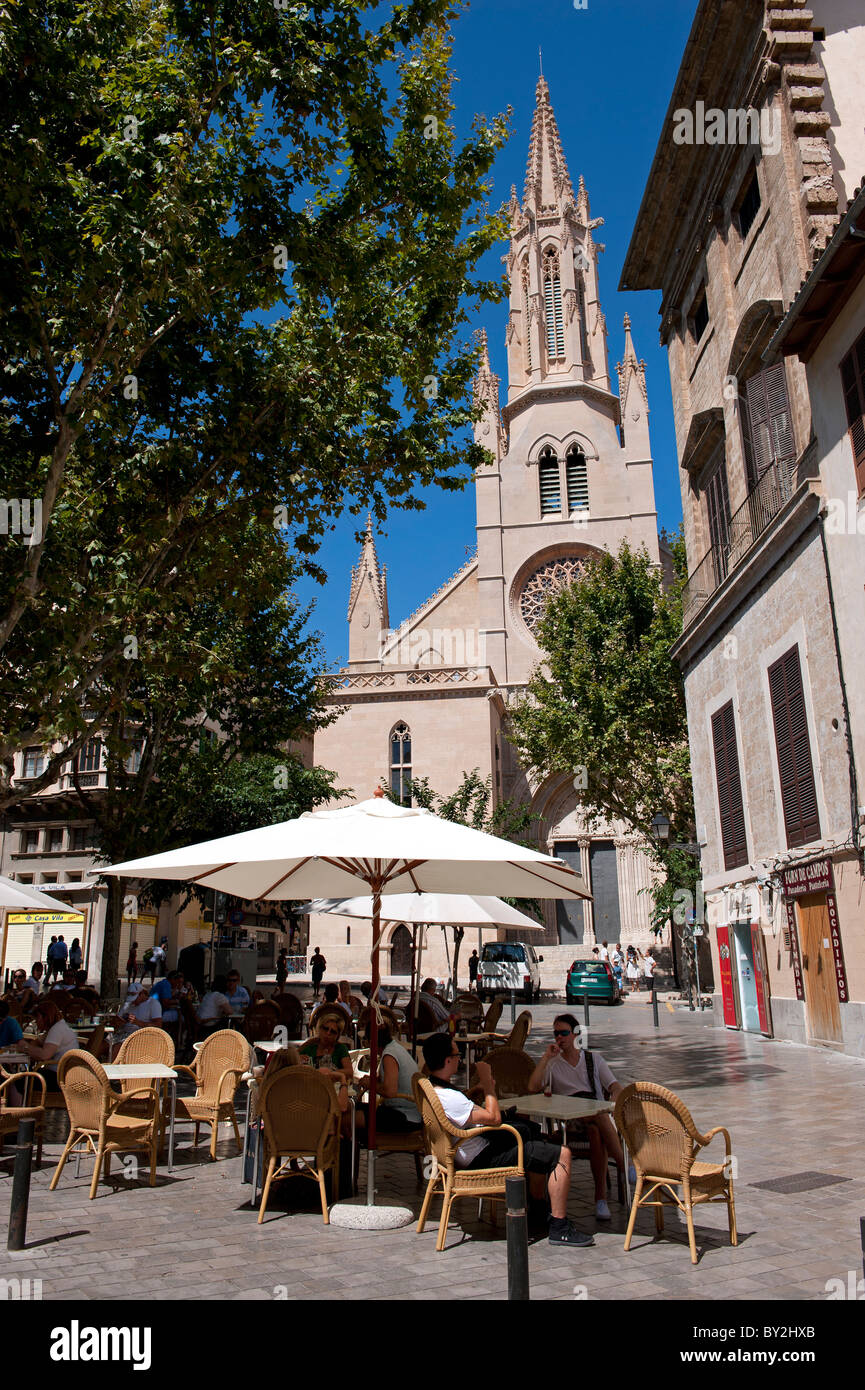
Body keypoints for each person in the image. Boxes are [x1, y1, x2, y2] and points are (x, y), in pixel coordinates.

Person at [421, 1032, 594, 1248]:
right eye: (457, 1055)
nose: (460, 1059)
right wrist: (487, 1083)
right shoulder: (450, 1098)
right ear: (447, 1060)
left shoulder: (434, 1088)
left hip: (467, 1151)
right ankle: (559, 1227)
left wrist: (473, 1091)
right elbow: (494, 1118)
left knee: (529, 1132)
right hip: (479, 1158)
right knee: (562, 1154)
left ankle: (537, 1208)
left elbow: (462, 1109)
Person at [527, 1013, 632, 1221]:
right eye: (556, 1033)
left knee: (595, 1131)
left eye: (564, 1033)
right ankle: (624, 1166)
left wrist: (616, 1099)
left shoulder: (593, 1060)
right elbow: (532, 1087)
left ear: (575, 1034)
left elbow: (615, 1085)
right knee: (599, 1119)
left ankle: (601, 1199)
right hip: (571, 1121)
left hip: (594, 1118)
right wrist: (546, 1057)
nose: (559, 1038)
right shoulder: (554, 1064)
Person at [298, 1011, 353, 1127]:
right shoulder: (310, 1047)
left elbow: (349, 1071)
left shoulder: (340, 1049)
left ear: (337, 1035)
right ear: (320, 1028)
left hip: (332, 1092)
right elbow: (291, 1061)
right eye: (325, 1029)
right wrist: (298, 1058)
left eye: (333, 1032)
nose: (328, 1033)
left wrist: (330, 1073)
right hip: (308, 1092)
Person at [20, 999, 79, 1091]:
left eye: (37, 1017)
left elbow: (44, 1055)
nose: (36, 1021)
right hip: (59, 1073)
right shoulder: (55, 1028)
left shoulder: (57, 1030)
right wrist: (32, 1046)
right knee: (23, 1078)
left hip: (58, 1077)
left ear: (46, 1017)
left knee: (18, 1082)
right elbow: (37, 1042)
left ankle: (19, 1104)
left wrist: (25, 1047)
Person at [372, 1023, 421, 1132]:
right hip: (410, 1112)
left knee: (354, 1116)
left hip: (406, 1116)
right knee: (358, 1109)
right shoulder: (395, 1048)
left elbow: (390, 1092)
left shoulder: (389, 1055)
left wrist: (370, 1085)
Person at [115, 982, 163, 1046]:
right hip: (123, 1034)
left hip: (141, 1036)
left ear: (142, 994)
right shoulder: (128, 1004)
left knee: (117, 1047)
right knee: (103, 1044)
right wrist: (120, 1021)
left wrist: (138, 1022)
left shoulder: (153, 1003)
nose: (133, 1001)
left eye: (135, 999)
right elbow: (117, 1020)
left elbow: (158, 1026)